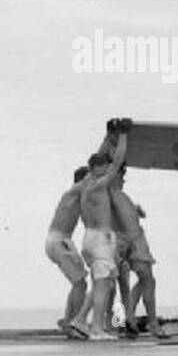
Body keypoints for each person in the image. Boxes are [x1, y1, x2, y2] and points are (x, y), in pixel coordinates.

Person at [71, 121, 129, 339]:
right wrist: (122, 136)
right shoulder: (97, 184)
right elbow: (117, 162)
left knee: (101, 284)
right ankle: (97, 328)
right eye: (104, 167)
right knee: (105, 285)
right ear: (97, 169)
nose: (109, 169)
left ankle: (80, 320)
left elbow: (100, 157)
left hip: (93, 239)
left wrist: (108, 136)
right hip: (100, 240)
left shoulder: (86, 182)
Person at [111, 166, 167, 338]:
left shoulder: (115, 195)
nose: (123, 180)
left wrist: (136, 210)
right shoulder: (109, 191)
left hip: (121, 239)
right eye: (121, 176)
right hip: (132, 240)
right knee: (147, 279)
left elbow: (123, 213)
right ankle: (152, 323)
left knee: (126, 284)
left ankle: (125, 319)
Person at [45, 166, 91, 337]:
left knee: (78, 283)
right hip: (59, 240)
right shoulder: (73, 192)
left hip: (59, 240)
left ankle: (68, 321)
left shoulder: (79, 197)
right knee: (81, 283)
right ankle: (77, 323)